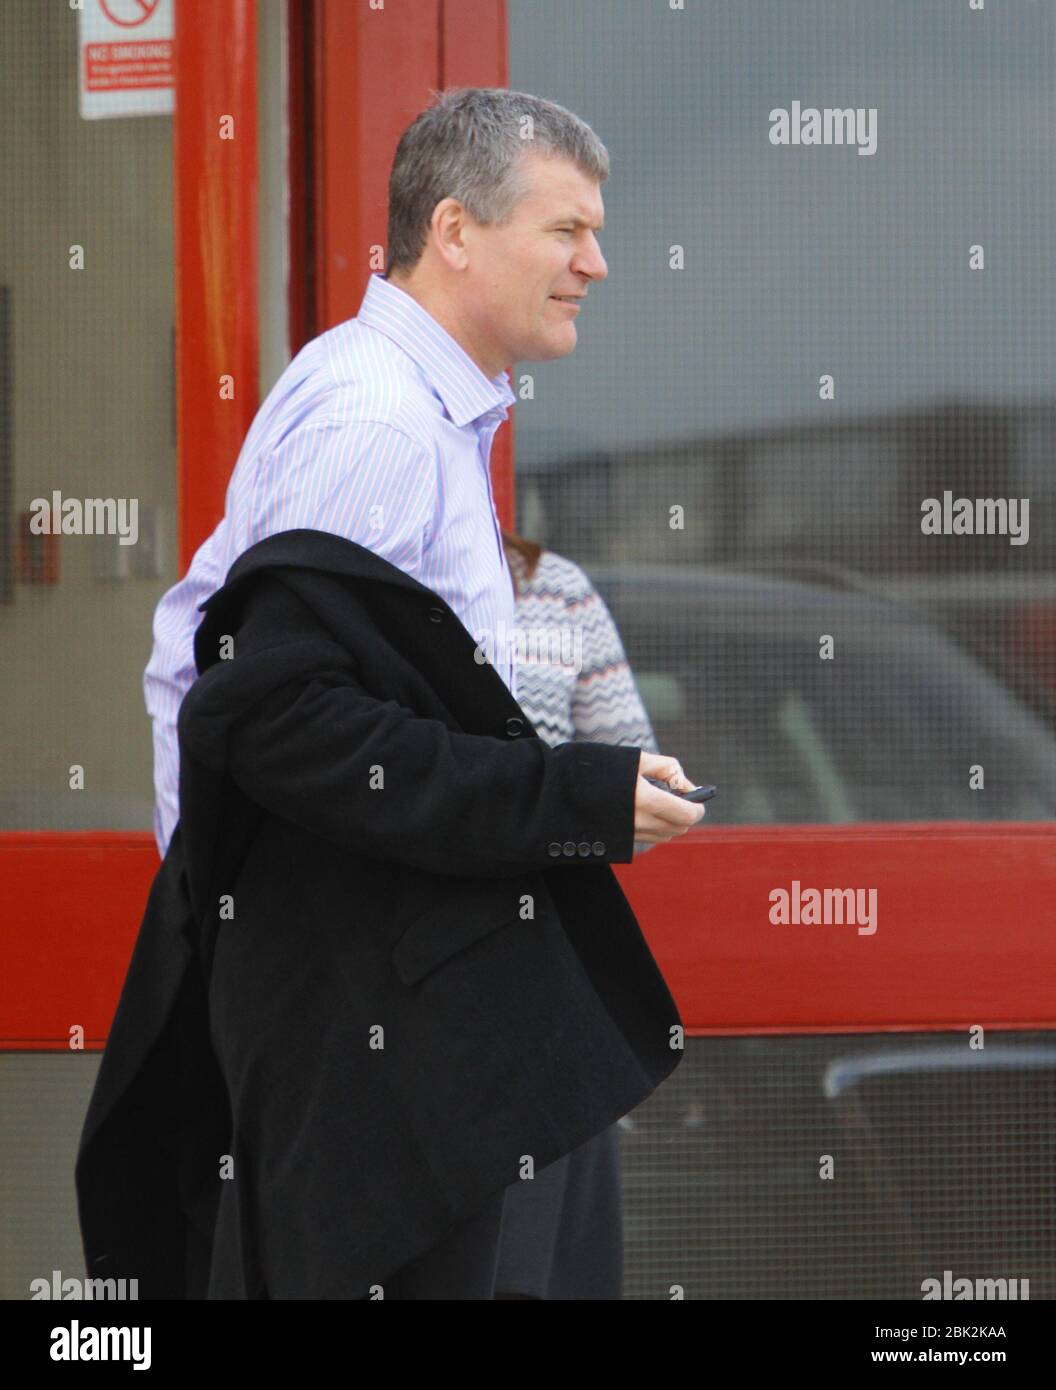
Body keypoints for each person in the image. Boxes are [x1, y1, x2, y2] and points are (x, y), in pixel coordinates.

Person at [132, 86, 703, 1298]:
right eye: (567, 230)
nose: (597, 263)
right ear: (454, 231)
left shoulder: (407, 405)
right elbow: (271, 714)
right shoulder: (378, 422)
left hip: (415, 1021)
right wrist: (571, 794)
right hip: (389, 1046)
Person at [493, 530, 660, 1300]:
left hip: (549, 973)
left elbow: (629, 769)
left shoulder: (553, 587)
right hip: (423, 977)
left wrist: (629, 797)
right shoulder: (370, 595)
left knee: (555, 1260)